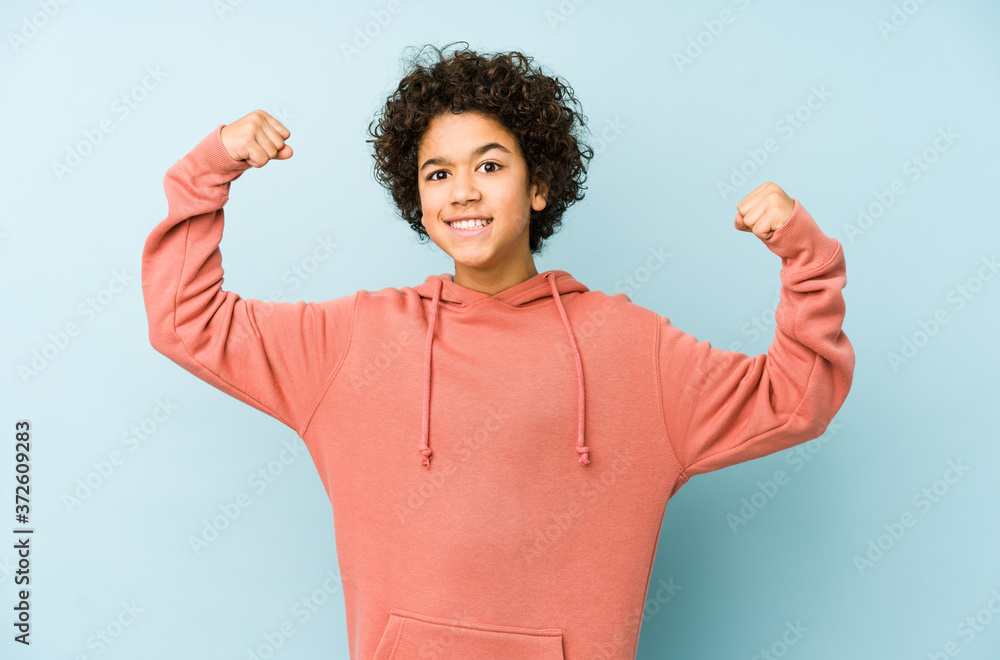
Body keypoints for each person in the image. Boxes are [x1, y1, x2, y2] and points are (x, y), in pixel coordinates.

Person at [141, 42, 854, 660]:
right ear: (417, 199)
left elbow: (796, 399)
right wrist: (209, 171)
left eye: (489, 165)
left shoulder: (634, 350)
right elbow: (186, 319)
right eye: (438, 174)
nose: (462, 193)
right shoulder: (353, 342)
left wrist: (806, 259)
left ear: (539, 184)